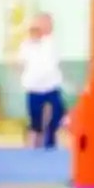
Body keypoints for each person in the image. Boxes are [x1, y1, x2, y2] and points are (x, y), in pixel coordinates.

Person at [17, 13, 65, 149]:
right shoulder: (26, 45)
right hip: (34, 87)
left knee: (57, 113)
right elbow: (21, 62)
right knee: (35, 118)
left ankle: (50, 139)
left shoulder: (51, 43)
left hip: (51, 85)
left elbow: (56, 61)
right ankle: (35, 138)